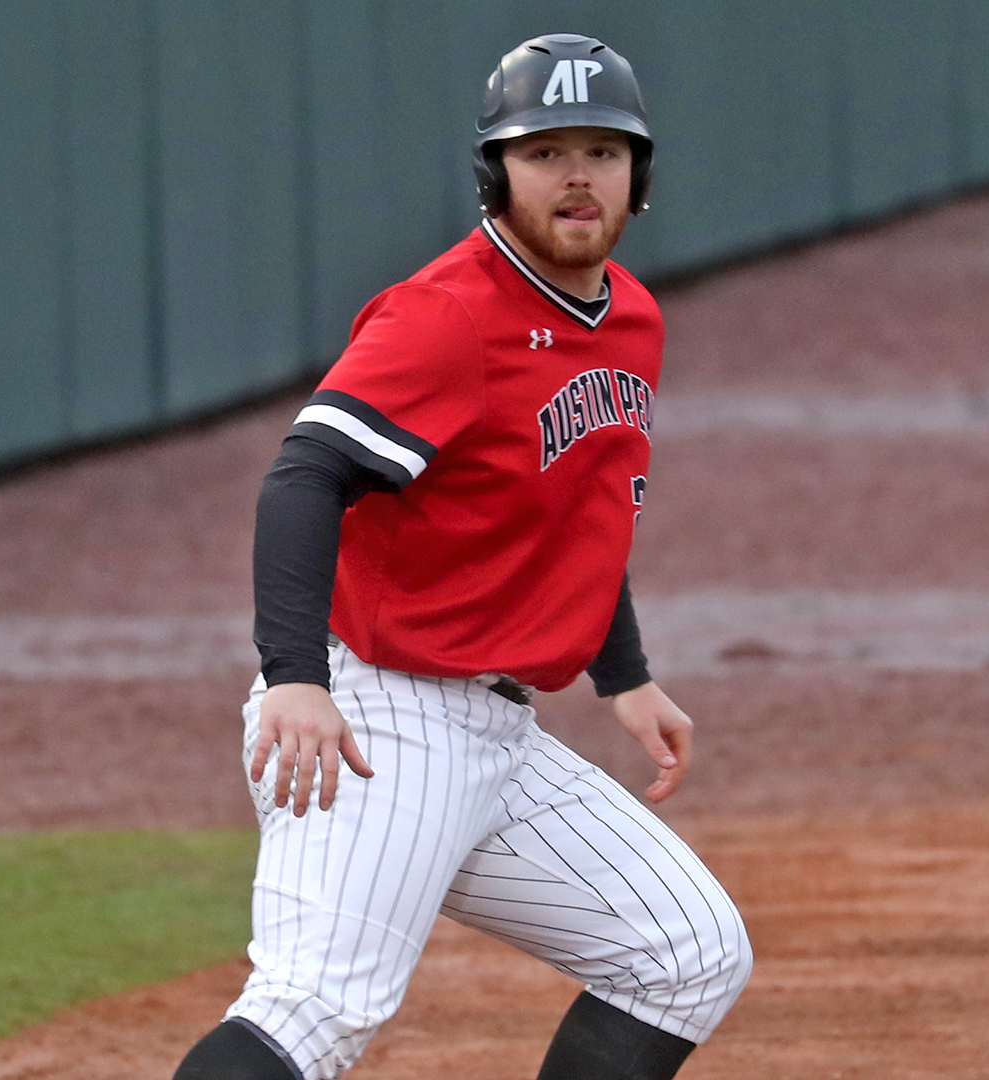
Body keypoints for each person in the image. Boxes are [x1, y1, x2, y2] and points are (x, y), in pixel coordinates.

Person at [171, 33, 752, 1080]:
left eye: (603, 151)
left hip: (497, 735)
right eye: (546, 152)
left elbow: (576, 509)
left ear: (638, 174)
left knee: (686, 954)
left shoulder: (631, 318)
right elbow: (304, 477)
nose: (578, 176)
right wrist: (296, 678)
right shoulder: (448, 315)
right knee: (315, 1007)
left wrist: (624, 674)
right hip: (378, 716)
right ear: (498, 173)